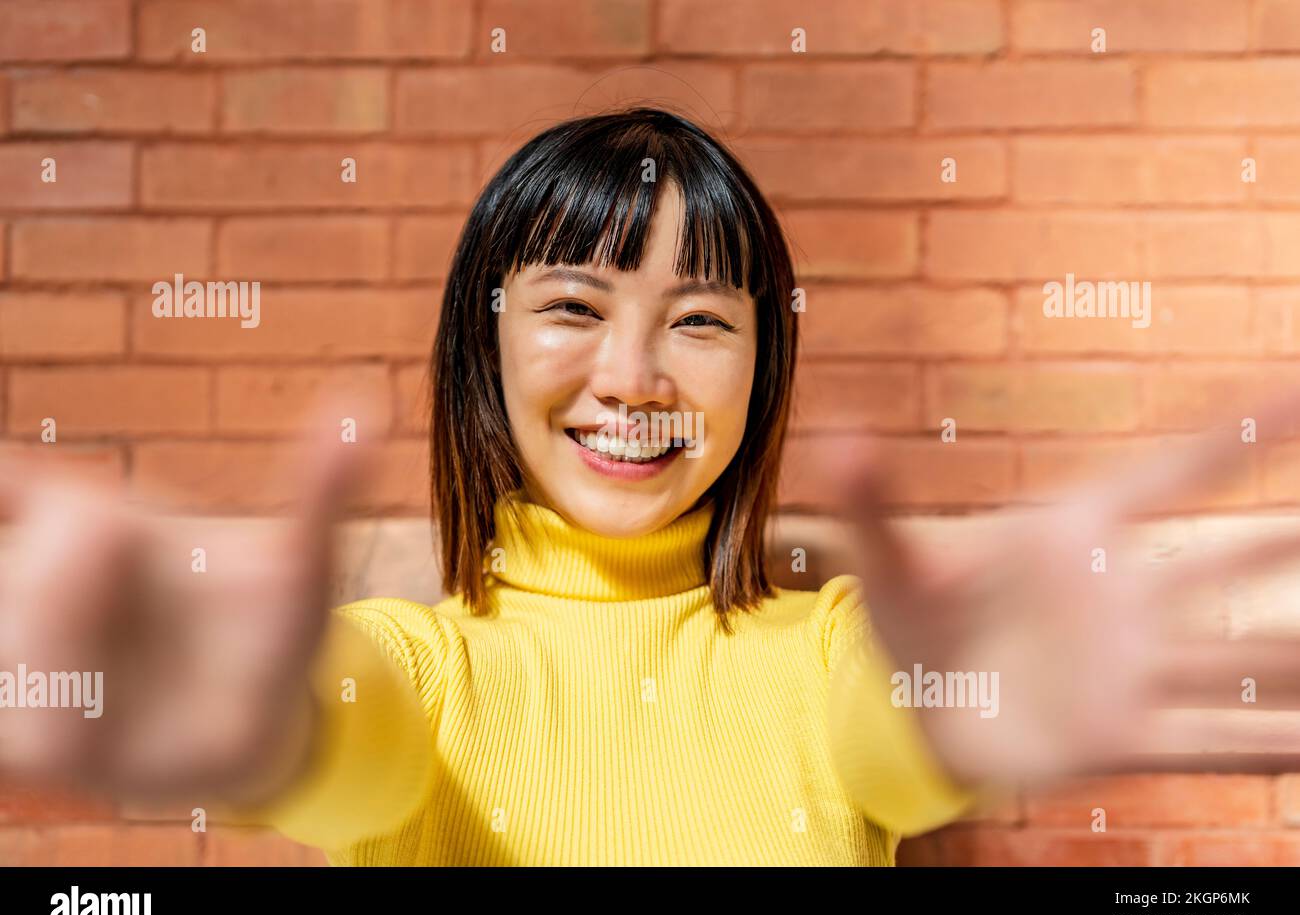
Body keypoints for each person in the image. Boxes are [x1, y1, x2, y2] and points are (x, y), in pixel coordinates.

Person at [2, 108, 1297, 866]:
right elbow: (350, 735)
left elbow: (888, 724)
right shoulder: (411, 667)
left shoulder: (835, 652)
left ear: (761, 365)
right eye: (574, 305)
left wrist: (971, 696)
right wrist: (260, 730)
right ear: (482, 346)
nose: (633, 376)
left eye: (698, 320)